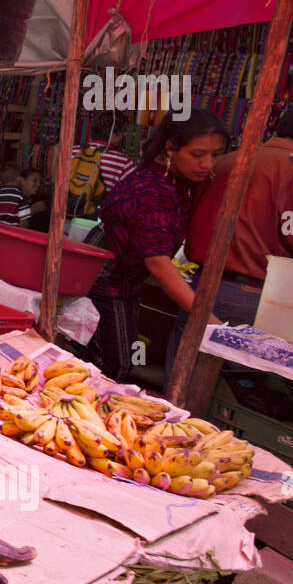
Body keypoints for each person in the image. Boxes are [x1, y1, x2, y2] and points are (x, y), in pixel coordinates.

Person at [168, 98, 293, 373]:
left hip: (200, 286)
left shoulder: (225, 163)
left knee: (180, 383)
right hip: (251, 297)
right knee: (226, 394)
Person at [86, 110, 229, 383]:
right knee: (116, 363)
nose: (208, 164)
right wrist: (207, 319)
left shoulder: (181, 180)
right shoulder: (152, 188)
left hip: (128, 275)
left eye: (216, 154)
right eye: (197, 155)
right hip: (106, 274)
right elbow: (157, 262)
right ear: (170, 148)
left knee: (107, 354)